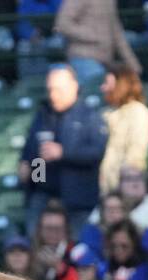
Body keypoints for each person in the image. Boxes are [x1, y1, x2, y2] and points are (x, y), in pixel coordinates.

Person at [19, 64, 109, 235]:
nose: (53, 95)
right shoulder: (43, 114)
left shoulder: (90, 116)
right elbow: (33, 149)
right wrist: (25, 164)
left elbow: (97, 152)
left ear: (74, 86)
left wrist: (63, 153)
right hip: (43, 196)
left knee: (77, 248)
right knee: (38, 245)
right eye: (50, 90)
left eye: (59, 90)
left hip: (78, 200)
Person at [53, 0, 139, 91]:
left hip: (105, 61)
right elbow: (63, 24)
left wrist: (133, 64)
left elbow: (116, 32)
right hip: (83, 58)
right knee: (98, 90)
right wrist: (93, 35)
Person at [98, 68, 148, 196]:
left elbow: (136, 152)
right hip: (104, 188)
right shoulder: (106, 113)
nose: (103, 88)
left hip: (125, 188)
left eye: (107, 83)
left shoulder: (139, 112)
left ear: (121, 85)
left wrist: (124, 184)